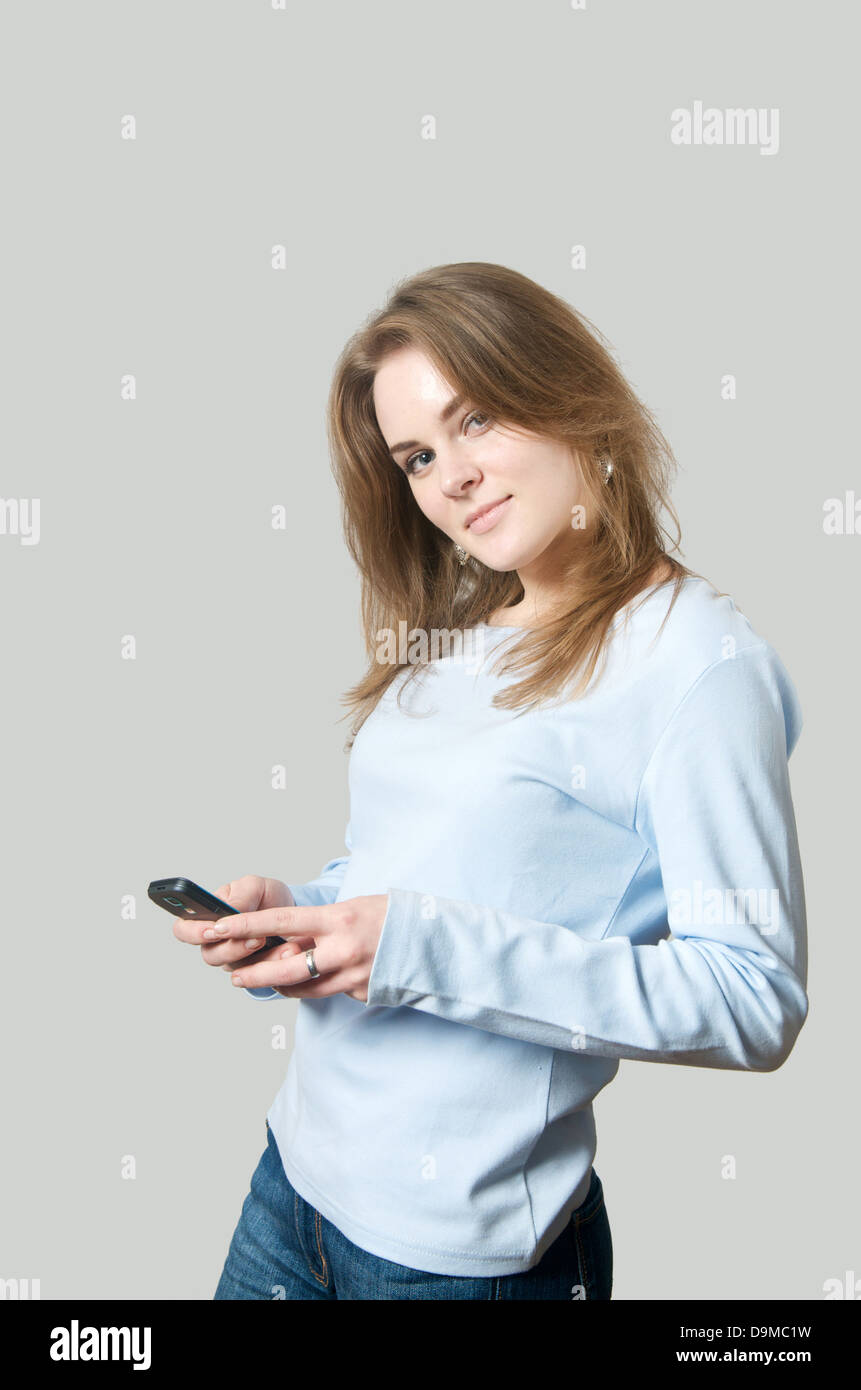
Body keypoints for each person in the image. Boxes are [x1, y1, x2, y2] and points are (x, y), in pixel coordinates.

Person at [174, 262, 808, 1300]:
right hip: (293, 1189)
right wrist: (305, 914)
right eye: (419, 455)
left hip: (454, 1260)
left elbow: (753, 997)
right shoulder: (467, 628)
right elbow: (427, 875)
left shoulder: (700, 665)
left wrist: (409, 946)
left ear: (564, 390)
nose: (451, 477)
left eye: (476, 420)